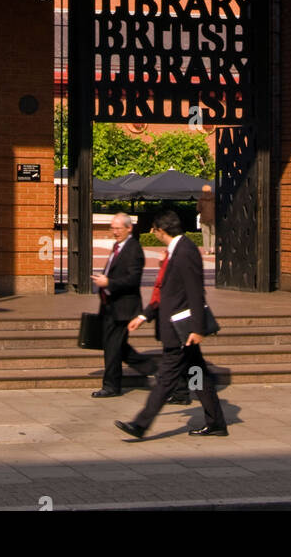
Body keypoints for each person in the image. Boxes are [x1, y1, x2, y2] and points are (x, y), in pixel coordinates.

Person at [115, 210, 227, 439]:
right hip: (180, 328)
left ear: (161, 230)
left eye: (153, 229)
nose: (152, 233)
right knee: (198, 373)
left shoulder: (184, 252)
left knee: (166, 379)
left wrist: (197, 329)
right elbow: (167, 292)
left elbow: (196, 292)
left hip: (181, 330)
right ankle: (215, 421)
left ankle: (140, 424)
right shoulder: (176, 251)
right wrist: (144, 316)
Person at [90, 212, 149, 398]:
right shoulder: (119, 246)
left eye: (118, 228)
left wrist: (109, 283)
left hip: (124, 307)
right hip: (110, 305)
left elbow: (133, 279)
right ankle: (158, 371)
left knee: (113, 347)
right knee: (118, 348)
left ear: (129, 228)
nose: (114, 232)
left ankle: (111, 386)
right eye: (112, 228)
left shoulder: (134, 248)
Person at [196, 182, 215, 254]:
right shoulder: (214, 198)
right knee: (214, 234)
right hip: (213, 219)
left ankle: (207, 250)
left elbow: (198, 209)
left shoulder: (201, 199)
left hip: (204, 219)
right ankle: (212, 248)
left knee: (205, 234)